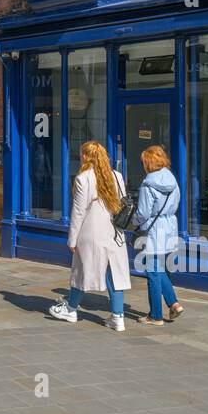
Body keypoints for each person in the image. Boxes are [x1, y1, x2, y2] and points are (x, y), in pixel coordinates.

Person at [48, 141, 131, 331]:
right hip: (115, 232)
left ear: (86, 156)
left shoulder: (83, 178)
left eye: (82, 155)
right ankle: (118, 317)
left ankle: (70, 309)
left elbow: (78, 211)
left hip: (91, 232)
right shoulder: (117, 176)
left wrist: (72, 238)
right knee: (115, 274)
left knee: (81, 270)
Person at [134, 144, 184, 326]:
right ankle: (172, 304)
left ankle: (156, 315)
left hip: (154, 229)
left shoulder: (148, 184)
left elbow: (143, 212)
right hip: (169, 226)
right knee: (161, 268)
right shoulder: (172, 179)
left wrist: (135, 222)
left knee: (153, 271)